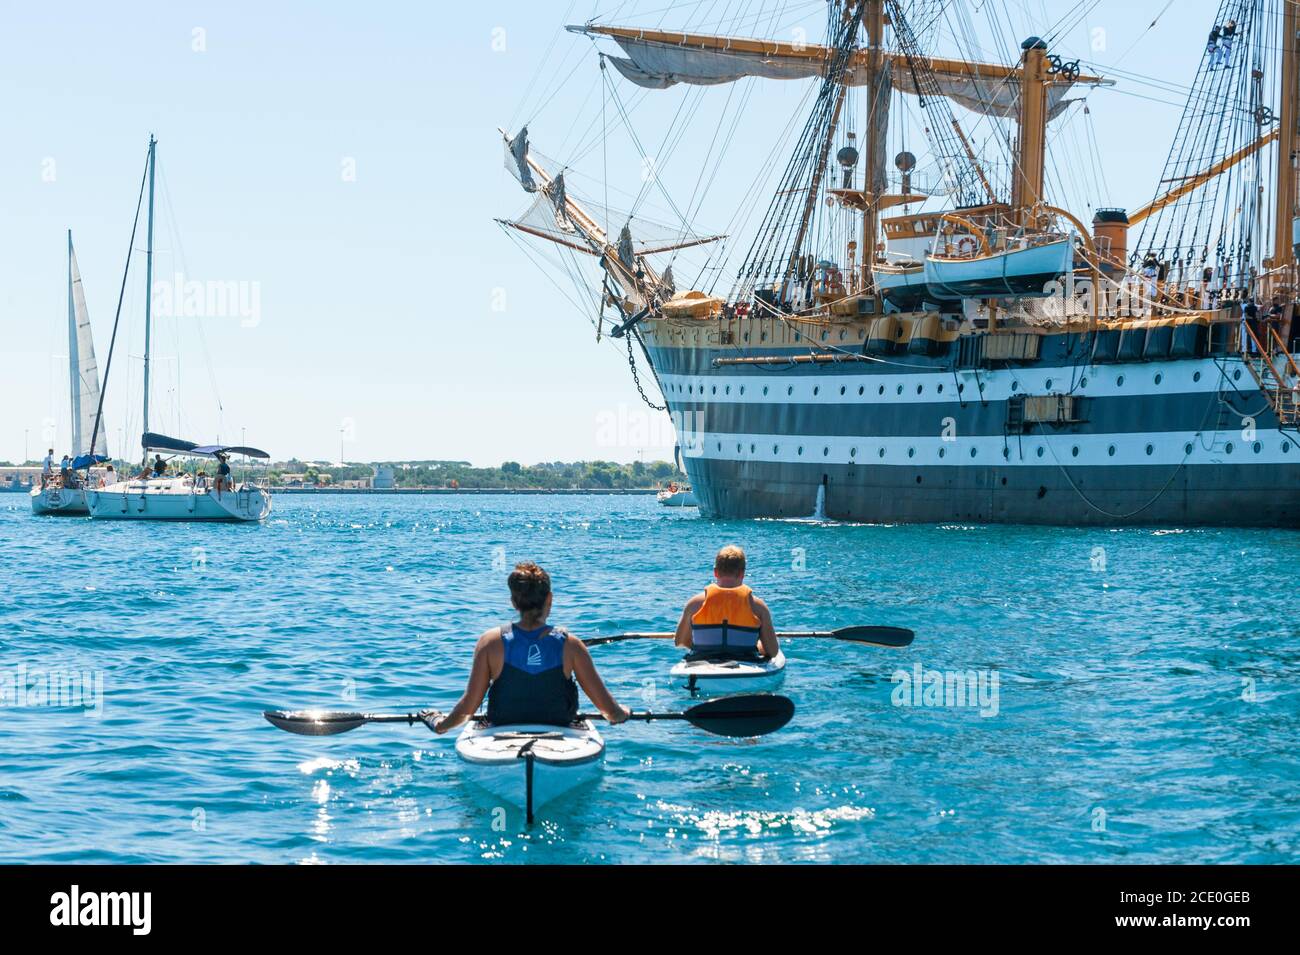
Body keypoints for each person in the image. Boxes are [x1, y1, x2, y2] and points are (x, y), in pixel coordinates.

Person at [427, 562, 628, 732]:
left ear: (514, 602)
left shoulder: (489, 642)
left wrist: (440, 724)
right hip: (560, 733)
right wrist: (623, 713)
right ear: (549, 599)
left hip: (501, 731)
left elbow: (467, 709)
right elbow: (611, 713)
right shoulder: (572, 645)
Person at [673, 545, 779, 660]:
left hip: (702, 664)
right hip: (746, 665)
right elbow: (772, 651)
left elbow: (680, 642)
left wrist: (701, 646)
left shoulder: (694, 604)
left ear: (715, 572)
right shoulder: (758, 607)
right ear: (742, 573)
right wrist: (759, 646)